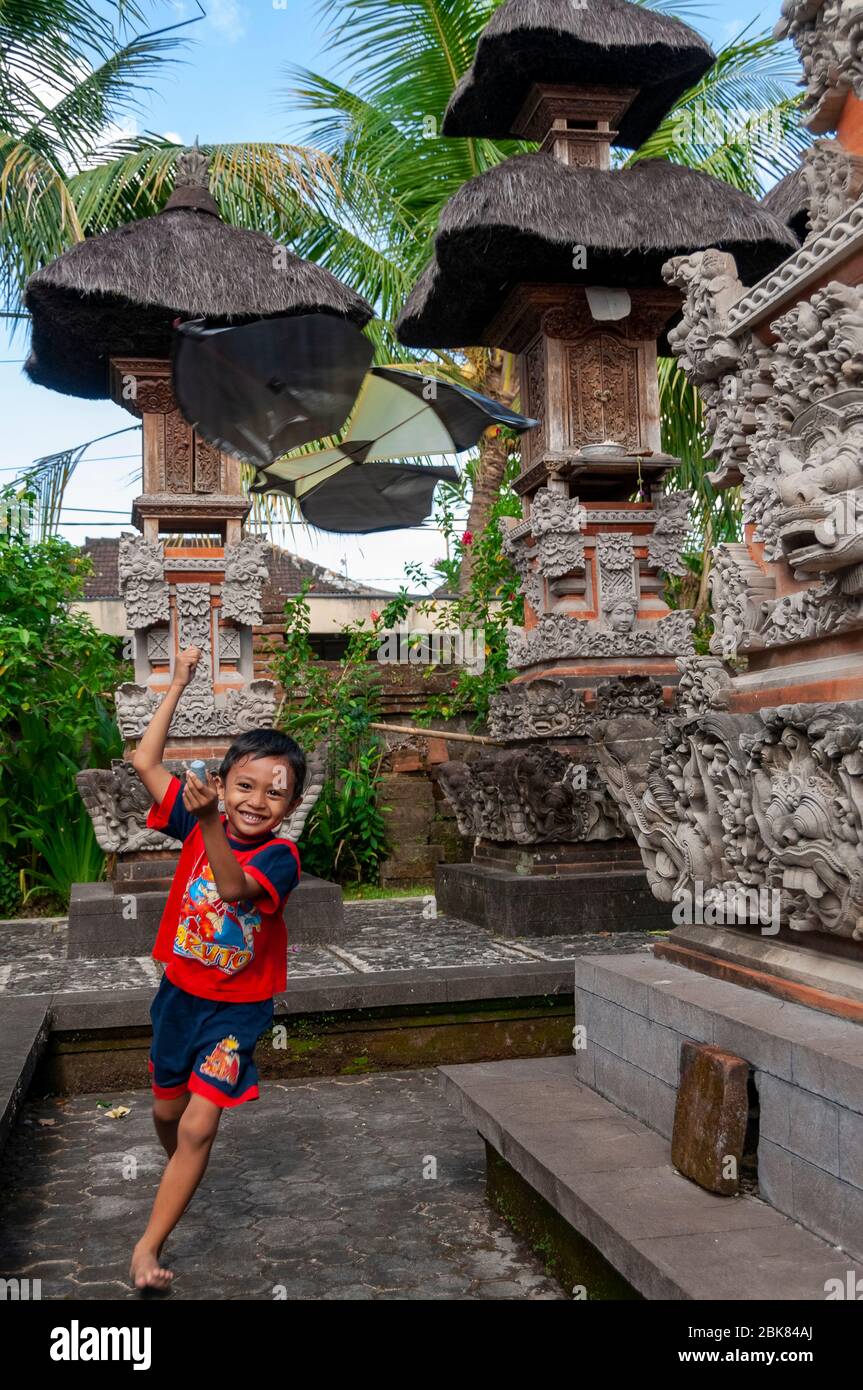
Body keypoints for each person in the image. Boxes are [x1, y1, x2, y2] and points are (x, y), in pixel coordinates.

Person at [128, 645, 305, 1291]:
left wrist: (207, 824)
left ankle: (147, 1247)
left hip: (239, 1009)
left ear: (290, 806)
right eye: (246, 786)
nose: (258, 801)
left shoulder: (282, 858)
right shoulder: (201, 815)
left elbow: (233, 892)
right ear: (224, 785)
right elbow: (144, 760)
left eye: (275, 793)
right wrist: (175, 684)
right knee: (168, 1116)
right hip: (179, 996)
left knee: (201, 1122)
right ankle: (183, 1171)